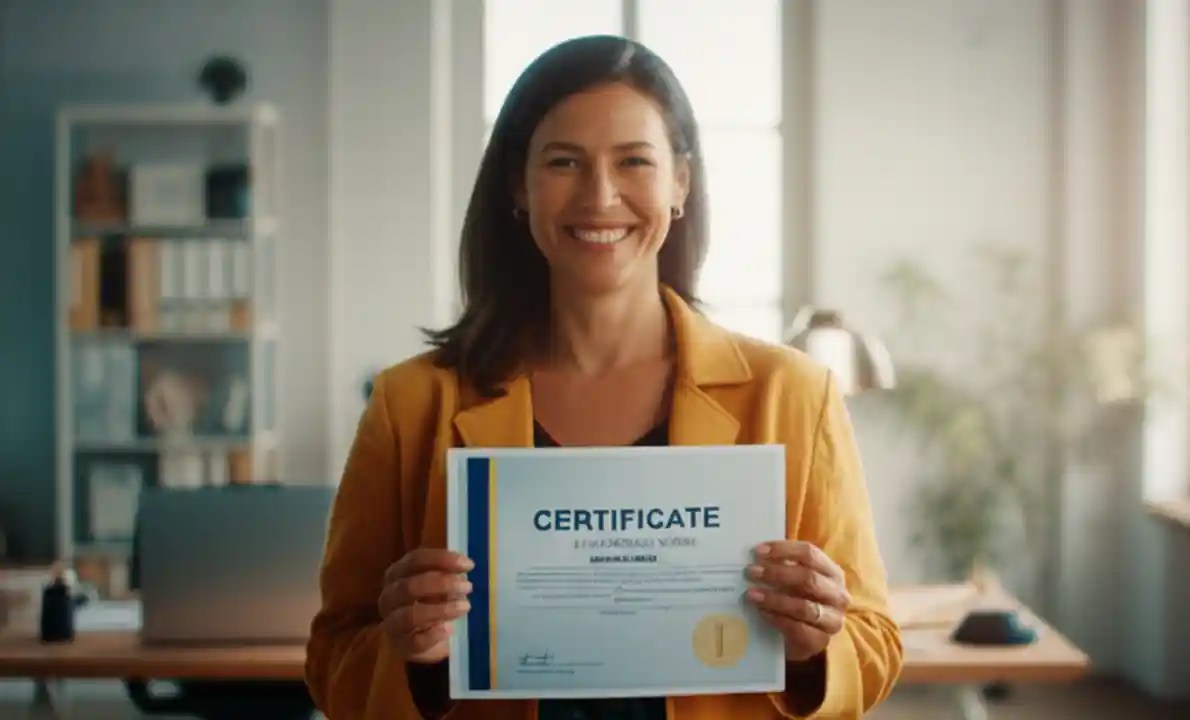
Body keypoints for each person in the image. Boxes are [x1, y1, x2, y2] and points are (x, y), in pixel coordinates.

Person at [305, 34, 902, 720]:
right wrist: (413, 659)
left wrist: (815, 645)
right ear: (517, 187)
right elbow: (332, 660)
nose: (600, 195)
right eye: (563, 162)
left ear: (680, 183)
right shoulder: (411, 403)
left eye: (634, 162)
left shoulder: (795, 394)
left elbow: (877, 645)